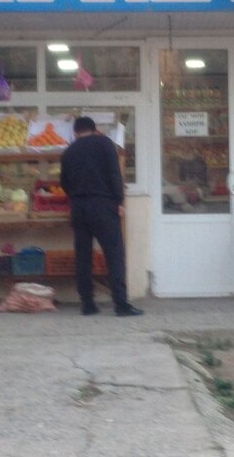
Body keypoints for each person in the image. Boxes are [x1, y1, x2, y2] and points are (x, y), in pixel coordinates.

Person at [60, 116, 143, 317]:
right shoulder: (104, 144)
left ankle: (87, 303)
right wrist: (119, 201)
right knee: (114, 254)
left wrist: (76, 197)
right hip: (103, 205)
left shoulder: (69, 151)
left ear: (75, 132)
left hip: (79, 207)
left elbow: (64, 182)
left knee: (83, 255)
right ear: (94, 129)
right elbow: (115, 174)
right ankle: (121, 304)